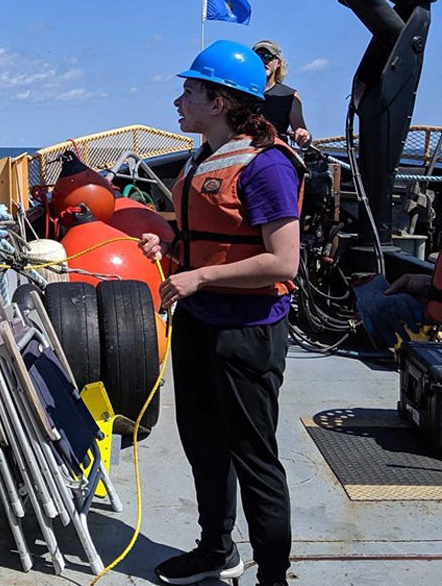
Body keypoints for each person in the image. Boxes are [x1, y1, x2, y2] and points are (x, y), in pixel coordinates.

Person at [138, 39, 305, 586]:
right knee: (203, 444)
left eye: (189, 90)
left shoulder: (266, 165)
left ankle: (273, 577)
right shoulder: (203, 158)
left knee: (254, 456)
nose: (178, 101)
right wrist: (170, 245)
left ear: (220, 101)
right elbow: (211, 237)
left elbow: (283, 261)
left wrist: (200, 276)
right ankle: (216, 548)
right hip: (199, 322)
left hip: (246, 332)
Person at [252, 40, 311, 148]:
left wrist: (304, 136)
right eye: (258, 56)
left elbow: (302, 133)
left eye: (268, 56)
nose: (263, 60)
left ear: (278, 63)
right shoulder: (240, 92)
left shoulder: (289, 96)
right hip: (241, 151)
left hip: (274, 152)